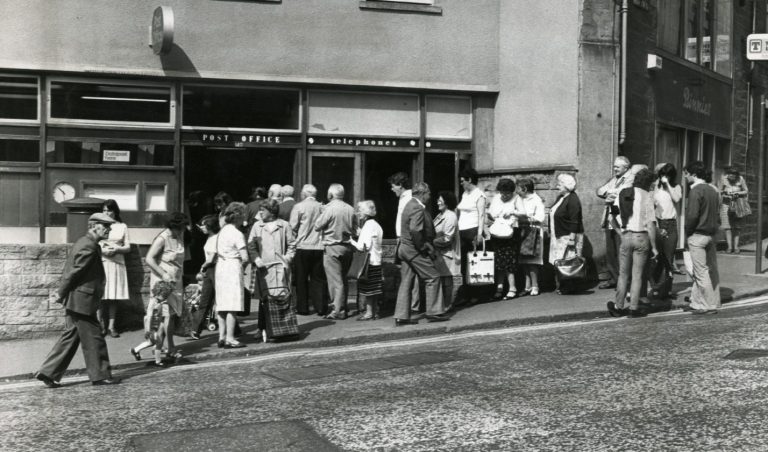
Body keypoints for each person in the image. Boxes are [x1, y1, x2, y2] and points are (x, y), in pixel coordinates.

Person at [34, 213, 121, 387]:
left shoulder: (86, 242)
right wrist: (60, 293)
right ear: (94, 226)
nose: (109, 230)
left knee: (71, 336)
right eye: (105, 226)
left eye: (109, 227)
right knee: (95, 338)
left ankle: (47, 373)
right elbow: (73, 273)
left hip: (78, 298)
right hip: (82, 300)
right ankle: (100, 376)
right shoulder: (88, 246)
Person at [606, 168, 659, 318]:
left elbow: (611, 218)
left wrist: (620, 233)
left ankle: (618, 306)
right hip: (641, 237)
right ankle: (634, 308)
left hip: (626, 236)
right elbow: (650, 224)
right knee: (637, 275)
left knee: (623, 275)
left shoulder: (623, 193)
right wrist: (654, 247)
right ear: (648, 183)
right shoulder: (647, 197)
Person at [395, 182, 449, 325]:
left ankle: (401, 316)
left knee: (406, 282)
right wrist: (423, 248)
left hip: (404, 249)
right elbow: (415, 230)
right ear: (422, 194)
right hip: (414, 250)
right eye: (429, 193)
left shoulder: (408, 204)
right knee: (433, 277)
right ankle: (434, 312)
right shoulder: (417, 207)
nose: (430, 196)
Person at [248, 199, 296, 337]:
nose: (260, 212)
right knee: (265, 299)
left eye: (263, 210)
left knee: (282, 298)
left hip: (281, 268)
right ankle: (261, 328)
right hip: (265, 269)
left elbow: (292, 244)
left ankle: (283, 327)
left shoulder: (284, 225)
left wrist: (287, 258)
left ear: (272, 211)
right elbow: (251, 245)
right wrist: (256, 258)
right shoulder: (257, 226)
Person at [144, 212, 188, 362]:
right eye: (180, 227)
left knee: (171, 316)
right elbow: (149, 259)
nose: (182, 230)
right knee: (166, 316)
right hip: (163, 283)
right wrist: (163, 274)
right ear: (173, 226)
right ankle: (170, 347)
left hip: (176, 281)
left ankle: (159, 345)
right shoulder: (163, 238)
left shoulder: (179, 236)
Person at [683, 161, 722, 315]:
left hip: (698, 235)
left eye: (686, 174)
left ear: (693, 174)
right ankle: (698, 302)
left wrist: (688, 232)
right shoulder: (713, 190)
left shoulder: (695, 191)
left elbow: (692, 216)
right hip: (711, 235)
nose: (685, 177)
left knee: (700, 272)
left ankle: (708, 305)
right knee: (710, 271)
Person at [315, 183, 358, 320]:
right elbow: (356, 229)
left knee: (335, 281)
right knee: (342, 279)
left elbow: (317, 226)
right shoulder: (351, 209)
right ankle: (343, 307)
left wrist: (322, 212)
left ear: (330, 195)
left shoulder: (329, 209)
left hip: (332, 247)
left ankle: (337, 310)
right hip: (347, 247)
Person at [215, 202, 250, 348]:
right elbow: (245, 257)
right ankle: (230, 337)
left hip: (220, 266)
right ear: (238, 216)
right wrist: (244, 266)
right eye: (243, 215)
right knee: (232, 304)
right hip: (232, 267)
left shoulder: (222, 231)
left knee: (222, 304)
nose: (244, 219)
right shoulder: (237, 234)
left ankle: (221, 336)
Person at [596, 156, 634, 289]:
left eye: (617, 167)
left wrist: (611, 193)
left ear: (626, 167)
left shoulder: (630, 177)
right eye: (614, 166)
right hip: (610, 219)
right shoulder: (615, 179)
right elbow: (600, 190)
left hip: (621, 219)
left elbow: (624, 192)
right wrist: (610, 193)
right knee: (610, 251)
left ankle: (623, 282)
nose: (615, 169)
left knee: (621, 251)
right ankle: (614, 278)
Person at [290, 184, 327, 316]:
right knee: (318, 278)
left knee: (301, 278)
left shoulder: (299, 207)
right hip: (318, 246)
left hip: (303, 246)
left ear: (304, 194)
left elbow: (292, 226)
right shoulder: (322, 207)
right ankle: (321, 307)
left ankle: (303, 308)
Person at [388, 172, 421, 314]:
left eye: (393, 186)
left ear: (400, 185)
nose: (392, 189)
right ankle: (410, 306)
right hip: (402, 239)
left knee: (410, 274)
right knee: (409, 274)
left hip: (407, 240)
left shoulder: (409, 198)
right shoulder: (403, 198)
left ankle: (412, 306)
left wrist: (403, 238)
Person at [98, 199, 131, 338]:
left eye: (109, 210)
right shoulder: (98, 225)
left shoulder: (122, 226)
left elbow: (128, 247)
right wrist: (103, 251)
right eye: (104, 210)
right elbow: (94, 242)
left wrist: (117, 249)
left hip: (117, 262)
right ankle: (101, 325)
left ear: (115, 211)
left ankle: (112, 326)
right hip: (102, 262)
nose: (107, 213)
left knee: (113, 296)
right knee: (101, 295)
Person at [456, 167, 487, 305]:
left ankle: (478, 295)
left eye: (463, 181)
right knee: (464, 265)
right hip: (462, 231)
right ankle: (467, 295)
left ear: (469, 180)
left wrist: (479, 234)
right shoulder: (465, 194)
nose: (461, 183)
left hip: (473, 230)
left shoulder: (479, 195)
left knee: (475, 264)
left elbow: (481, 215)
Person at [549, 174, 585, 295]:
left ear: (566, 186)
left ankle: (570, 287)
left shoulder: (573, 199)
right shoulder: (561, 197)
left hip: (568, 236)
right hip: (559, 236)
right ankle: (562, 285)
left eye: (559, 184)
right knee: (561, 261)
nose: (557, 186)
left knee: (569, 262)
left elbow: (575, 220)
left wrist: (572, 238)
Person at [487, 178, 521, 300]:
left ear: (512, 192)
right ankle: (499, 287)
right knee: (498, 261)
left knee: (509, 260)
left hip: (510, 233)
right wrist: (494, 216)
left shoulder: (517, 198)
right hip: (497, 232)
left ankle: (512, 288)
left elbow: (523, 213)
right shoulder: (496, 198)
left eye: (507, 193)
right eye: (502, 193)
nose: (504, 196)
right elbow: (490, 213)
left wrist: (512, 213)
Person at [350, 200, 384, 321]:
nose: (358, 212)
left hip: (368, 262)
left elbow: (363, 246)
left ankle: (369, 313)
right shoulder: (376, 225)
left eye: (360, 210)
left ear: (366, 212)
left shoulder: (368, 226)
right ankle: (375, 312)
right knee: (375, 289)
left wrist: (350, 241)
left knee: (369, 289)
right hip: (376, 260)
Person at [514, 178, 546, 296]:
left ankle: (535, 285)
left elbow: (541, 217)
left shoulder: (536, 200)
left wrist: (525, 217)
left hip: (533, 231)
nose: (516, 191)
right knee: (524, 261)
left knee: (532, 261)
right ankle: (527, 286)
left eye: (518, 188)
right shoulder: (519, 199)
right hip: (522, 231)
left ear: (524, 189)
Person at [190, 214, 220, 340]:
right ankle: (195, 330)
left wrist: (202, 267)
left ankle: (234, 329)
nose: (201, 227)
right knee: (205, 300)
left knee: (217, 300)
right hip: (209, 270)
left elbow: (212, 257)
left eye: (203, 225)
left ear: (210, 225)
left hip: (214, 269)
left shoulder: (216, 238)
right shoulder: (210, 237)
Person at [433, 191, 461, 312]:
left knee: (447, 282)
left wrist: (430, 242)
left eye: (440, 200)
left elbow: (447, 238)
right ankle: (444, 306)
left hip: (447, 254)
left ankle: (447, 306)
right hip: (440, 254)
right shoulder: (440, 215)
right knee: (443, 282)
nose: (437, 202)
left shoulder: (450, 216)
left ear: (447, 202)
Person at [653, 163, 683, 274]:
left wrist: (668, 186)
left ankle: (666, 288)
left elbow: (676, 199)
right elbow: (651, 204)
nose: (664, 178)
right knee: (658, 257)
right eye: (662, 175)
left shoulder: (676, 187)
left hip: (670, 224)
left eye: (667, 175)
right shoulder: (656, 187)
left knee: (669, 257)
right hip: (658, 222)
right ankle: (657, 286)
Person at [721, 167, 750, 254]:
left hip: (738, 204)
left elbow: (746, 191)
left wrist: (737, 193)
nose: (731, 178)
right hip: (726, 204)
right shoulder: (724, 179)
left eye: (733, 176)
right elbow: (720, 191)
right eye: (730, 176)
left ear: (736, 176)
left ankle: (736, 247)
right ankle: (729, 247)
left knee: (737, 226)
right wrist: (726, 194)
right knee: (727, 226)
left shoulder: (741, 179)